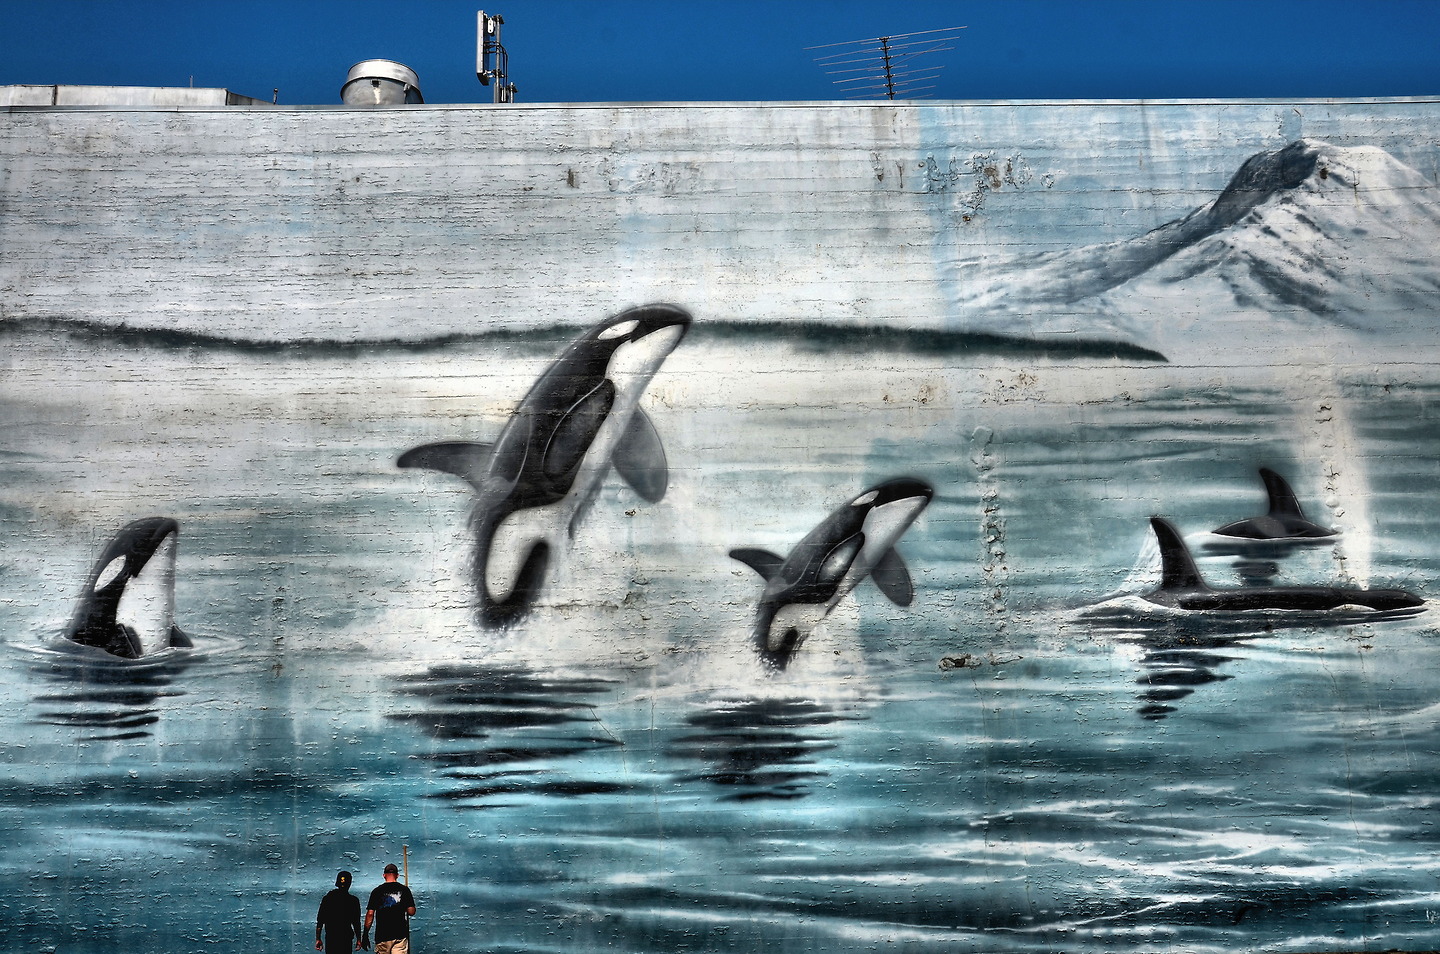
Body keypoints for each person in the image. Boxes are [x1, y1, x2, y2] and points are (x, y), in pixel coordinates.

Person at [364, 862, 417, 954]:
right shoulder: (404, 890)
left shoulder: (376, 891)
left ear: (384, 875)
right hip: (400, 935)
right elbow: (411, 912)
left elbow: (370, 914)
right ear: (397, 875)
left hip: (382, 936)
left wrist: (365, 934)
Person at [316, 870, 364, 953]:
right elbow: (356, 922)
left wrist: (318, 938)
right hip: (346, 938)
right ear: (349, 883)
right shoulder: (353, 901)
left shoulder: (328, 898)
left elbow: (320, 921)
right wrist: (359, 939)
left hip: (331, 938)